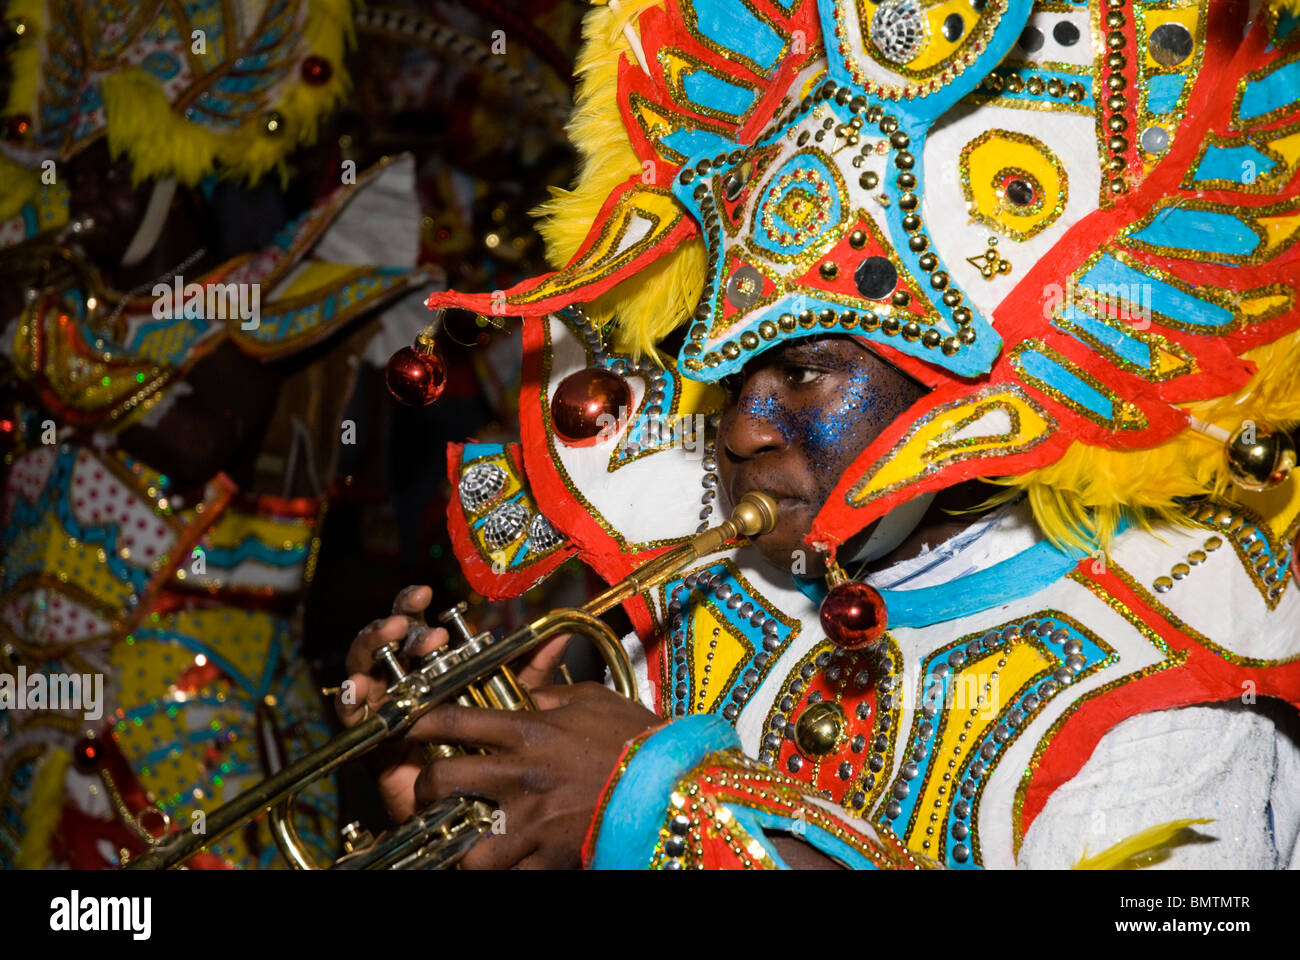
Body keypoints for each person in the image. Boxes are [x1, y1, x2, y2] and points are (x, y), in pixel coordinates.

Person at [343, 0, 1300, 869]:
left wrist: (662, 816)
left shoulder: (1176, 655)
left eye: (803, 370)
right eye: (727, 376)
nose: (744, 427)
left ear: (969, 387)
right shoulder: (694, 588)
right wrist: (476, 795)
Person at [0, 0, 429, 868]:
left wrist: (35, 342)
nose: (86, 199)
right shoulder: (65, 311)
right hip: (38, 727)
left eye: (104, 172)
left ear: (162, 170)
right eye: (73, 179)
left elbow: (199, 439)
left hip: (195, 725)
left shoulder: (262, 293)